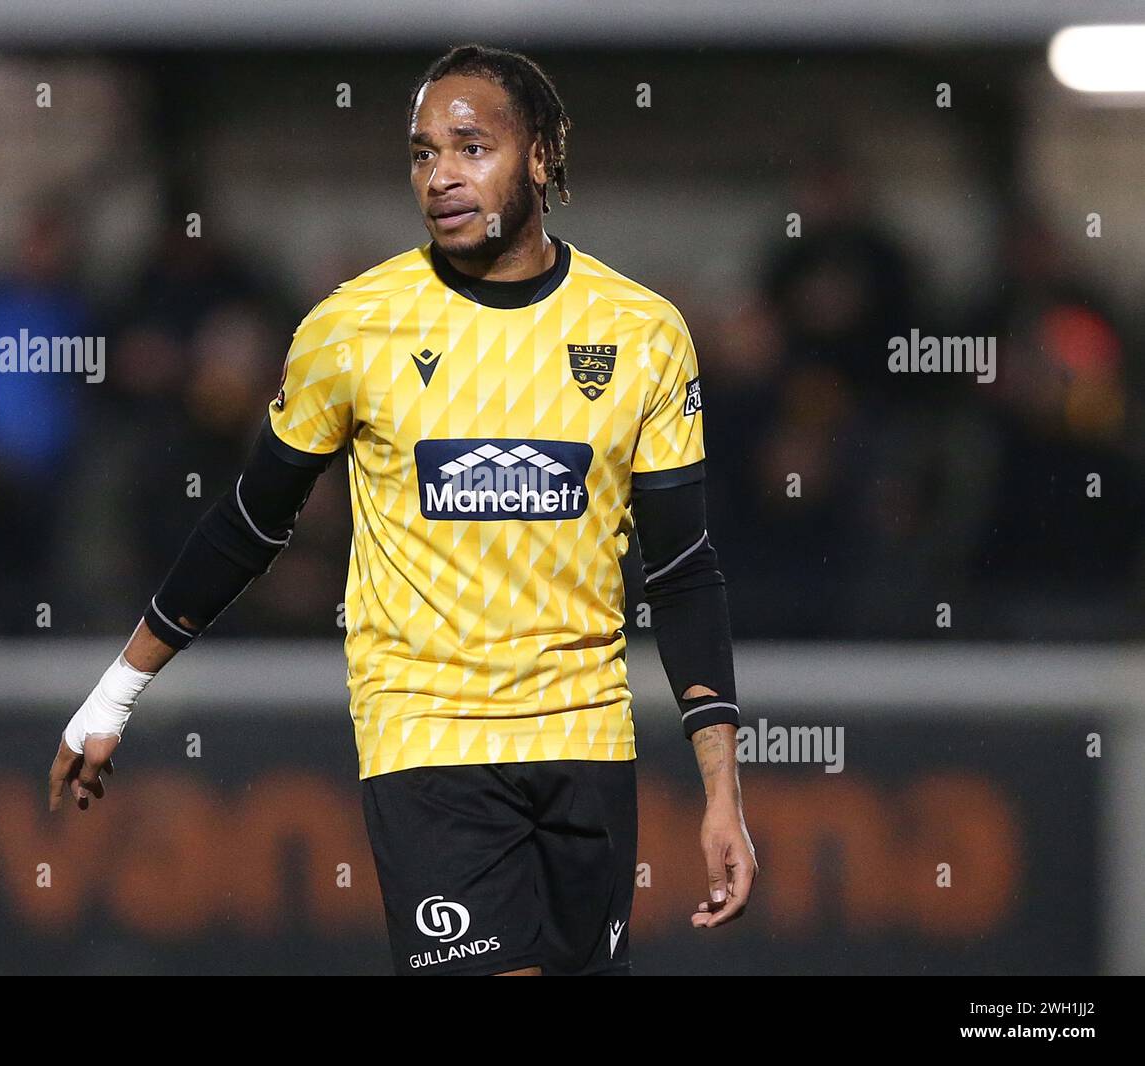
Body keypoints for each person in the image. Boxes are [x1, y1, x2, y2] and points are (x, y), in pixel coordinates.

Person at [47, 43, 756, 976]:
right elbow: (251, 523)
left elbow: (681, 568)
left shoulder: (641, 333)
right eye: (423, 154)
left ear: (539, 157)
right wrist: (118, 691)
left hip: (586, 738)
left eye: (471, 147)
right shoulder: (354, 329)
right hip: (428, 740)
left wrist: (721, 791)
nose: (441, 176)